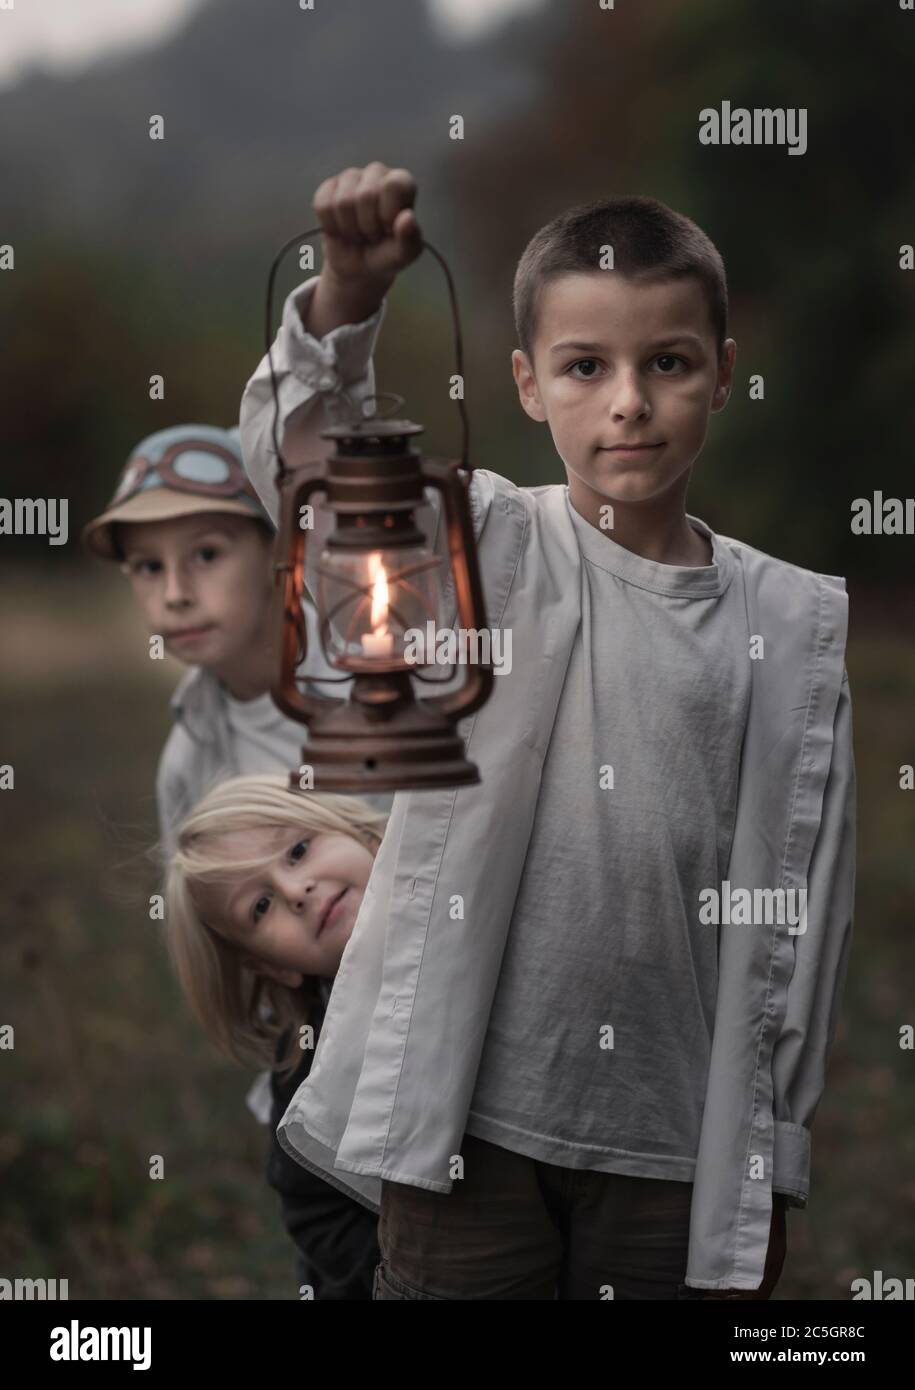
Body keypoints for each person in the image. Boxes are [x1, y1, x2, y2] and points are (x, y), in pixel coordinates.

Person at [239, 164, 855, 1299]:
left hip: (678, 1145)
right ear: (526, 383)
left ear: (722, 376)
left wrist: (775, 1154)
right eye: (586, 366)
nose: (629, 401)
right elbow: (312, 475)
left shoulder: (789, 621)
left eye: (666, 362)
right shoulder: (482, 544)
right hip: (471, 1122)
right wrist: (346, 300)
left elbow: (805, 919)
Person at [164, 774, 387, 1298]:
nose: (296, 891)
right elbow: (316, 1211)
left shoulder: (467, 916)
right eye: (260, 908)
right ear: (273, 966)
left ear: (361, 833)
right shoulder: (308, 1070)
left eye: (299, 850)